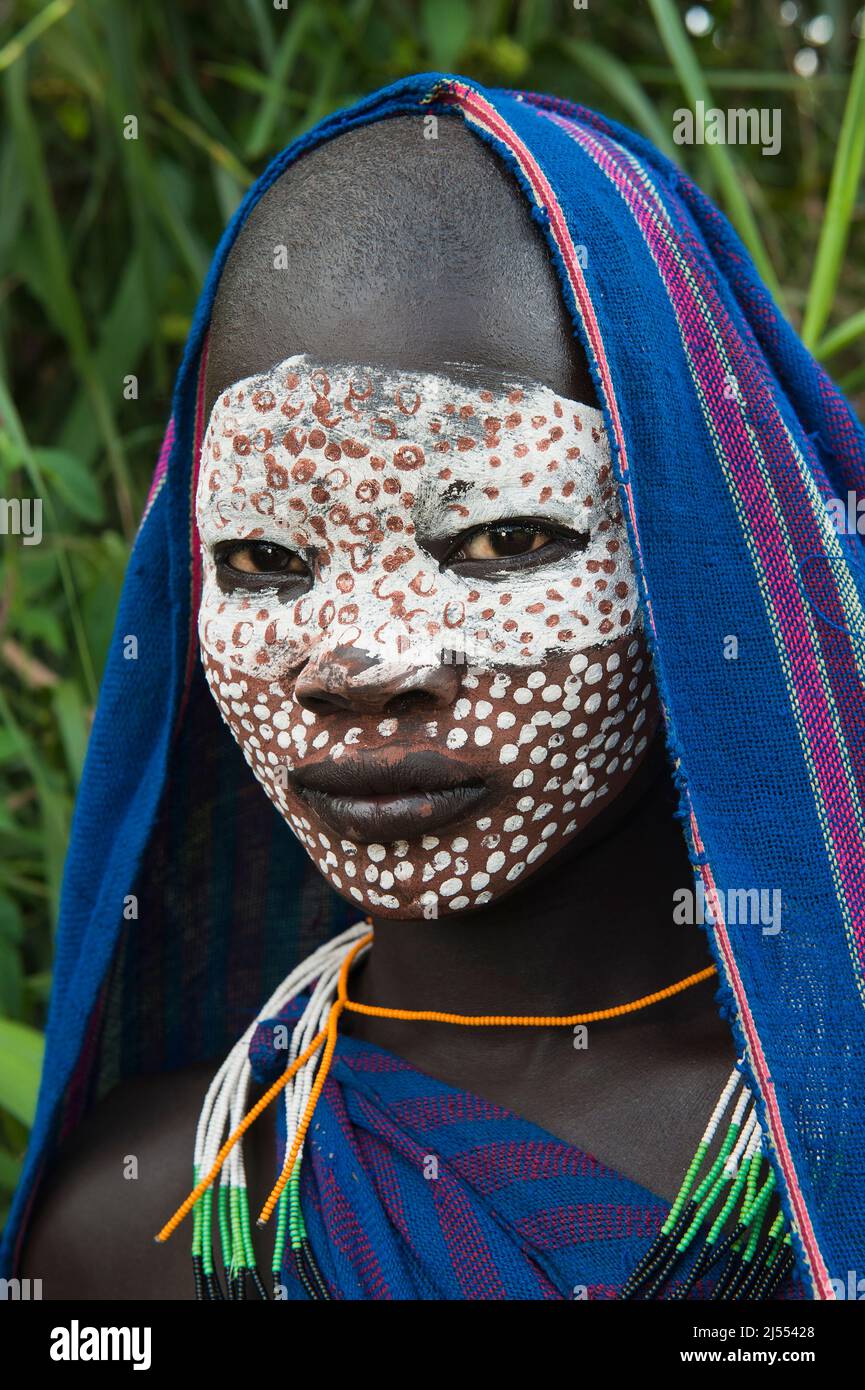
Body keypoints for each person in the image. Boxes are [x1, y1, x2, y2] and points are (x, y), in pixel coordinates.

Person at [5, 74, 864, 1301]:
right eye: (264, 560)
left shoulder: (832, 1142)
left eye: (503, 541)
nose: (358, 665)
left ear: (696, 549)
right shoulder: (133, 1230)